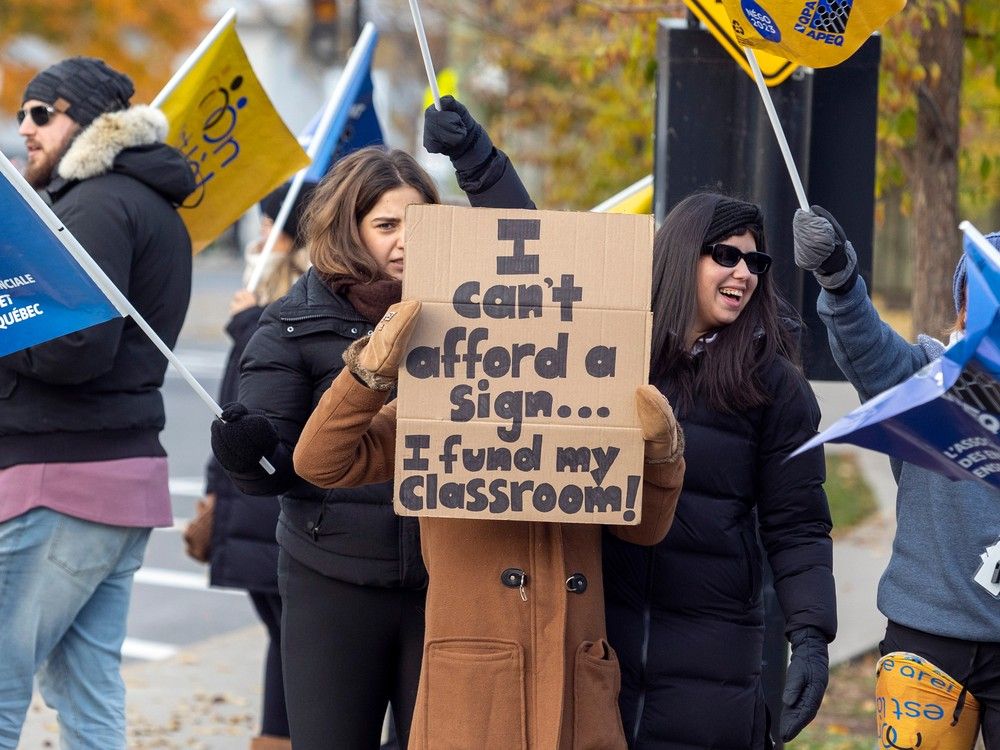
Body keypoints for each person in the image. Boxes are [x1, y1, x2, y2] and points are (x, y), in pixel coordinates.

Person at [209, 97, 534, 750]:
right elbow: (280, 468)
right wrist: (251, 456)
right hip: (334, 583)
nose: (406, 240)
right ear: (346, 228)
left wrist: (478, 161)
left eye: (419, 220)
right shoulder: (288, 325)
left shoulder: (470, 308)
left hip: (451, 582)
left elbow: (532, 248)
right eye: (387, 224)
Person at [291, 315, 684, 749]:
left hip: (576, 683)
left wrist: (661, 459)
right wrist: (368, 374)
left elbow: (645, 531)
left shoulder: (598, 399)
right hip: (475, 696)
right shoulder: (441, 400)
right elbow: (318, 461)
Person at [0, 57, 196, 749]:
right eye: (23, 113)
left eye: (41, 112)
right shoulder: (145, 205)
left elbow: (77, 347)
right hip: (115, 477)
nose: (24, 127)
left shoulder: (93, 206)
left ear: (86, 120)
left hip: (59, 480)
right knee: (87, 690)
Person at [602, 193, 837, 749]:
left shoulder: (774, 386)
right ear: (682, 256)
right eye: (725, 255)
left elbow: (799, 523)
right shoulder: (612, 356)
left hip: (713, 655)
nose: (743, 273)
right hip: (603, 638)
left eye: (755, 262)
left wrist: (810, 637)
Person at [794, 208, 1000, 748]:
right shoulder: (924, 386)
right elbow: (868, 348)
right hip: (926, 641)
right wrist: (838, 275)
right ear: (963, 312)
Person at [192, 182, 314, 750]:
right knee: (290, 641)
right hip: (253, 510)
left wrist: (249, 326)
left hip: (276, 511)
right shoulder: (262, 305)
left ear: (294, 238)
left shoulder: (284, 318)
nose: (260, 233)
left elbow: (268, 403)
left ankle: (278, 736)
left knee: (296, 643)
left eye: (270, 223)